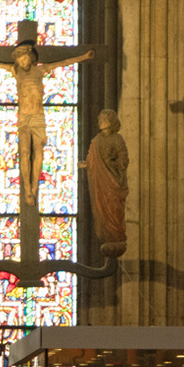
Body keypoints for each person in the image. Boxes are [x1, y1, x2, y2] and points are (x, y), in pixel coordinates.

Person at [0, 38, 91, 209]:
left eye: (25, 58)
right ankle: (27, 189)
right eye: (20, 60)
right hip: (24, 117)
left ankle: (34, 187)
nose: (23, 62)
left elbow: (63, 62)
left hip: (38, 116)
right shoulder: (15, 71)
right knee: (25, 153)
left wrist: (84, 57)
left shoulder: (40, 70)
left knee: (39, 153)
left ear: (31, 57)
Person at [81, 108, 129, 258]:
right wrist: (86, 165)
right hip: (100, 185)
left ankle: (116, 235)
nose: (100, 122)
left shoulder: (117, 139)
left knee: (115, 209)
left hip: (114, 183)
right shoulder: (96, 141)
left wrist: (111, 163)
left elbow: (124, 160)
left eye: (104, 119)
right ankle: (107, 235)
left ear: (112, 121)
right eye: (99, 120)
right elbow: (92, 161)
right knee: (101, 210)